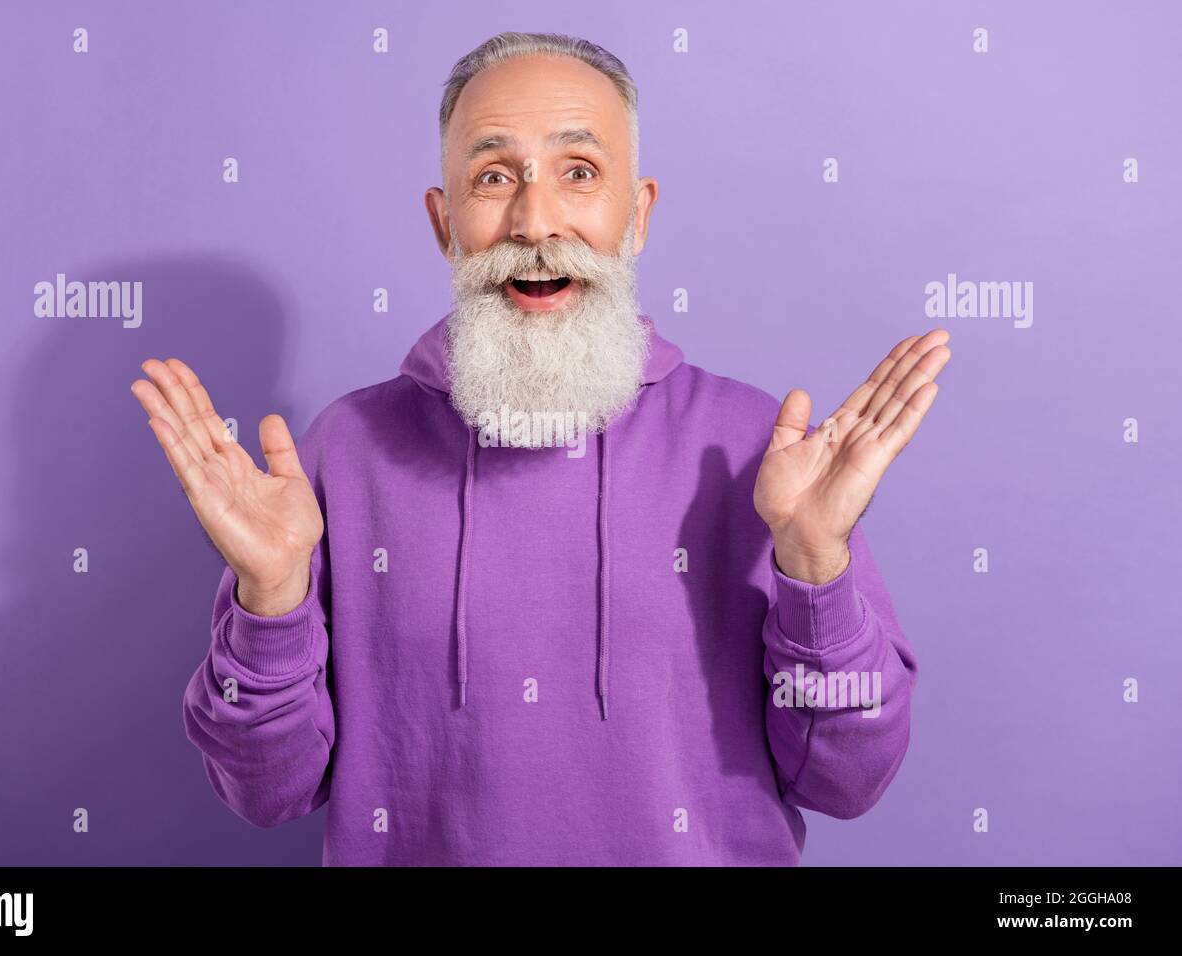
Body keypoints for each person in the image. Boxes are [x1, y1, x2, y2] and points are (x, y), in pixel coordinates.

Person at [129, 31, 951, 865]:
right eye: (493, 177)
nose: (536, 220)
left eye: (580, 172)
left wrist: (815, 564)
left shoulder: (756, 450)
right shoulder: (343, 454)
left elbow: (851, 778)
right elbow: (266, 792)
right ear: (444, 224)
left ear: (639, 214)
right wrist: (269, 597)